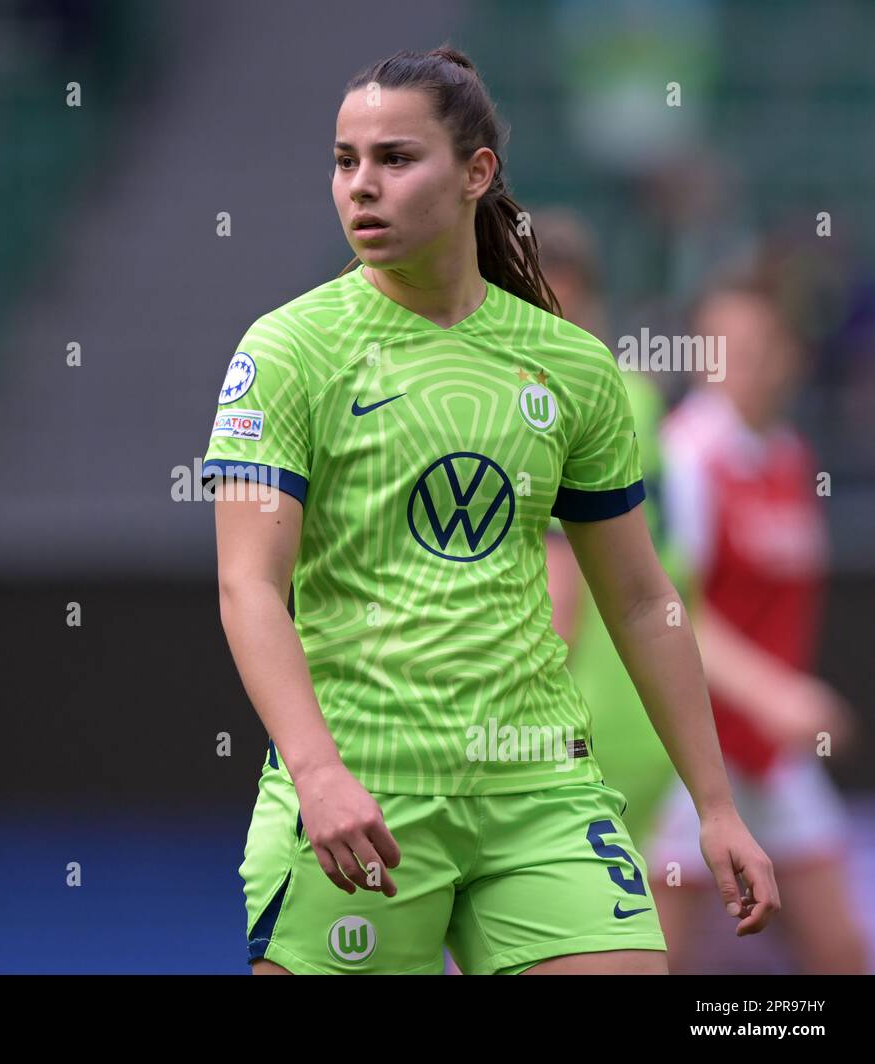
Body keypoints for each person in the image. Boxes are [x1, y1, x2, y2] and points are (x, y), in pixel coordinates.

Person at [202, 45, 778, 976]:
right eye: (346, 162)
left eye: (395, 159)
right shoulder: (285, 352)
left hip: (539, 786)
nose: (362, 187)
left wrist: (714, 806)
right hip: (364, 792)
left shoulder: (573, 367)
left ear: (477, 174)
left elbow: (640, 600)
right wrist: (317, 773)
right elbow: (248, 586)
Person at [646, 279, 865, 974]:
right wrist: (777, 693)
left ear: (790, 357)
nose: (736, 364)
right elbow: (672, 610)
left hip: (769, 758)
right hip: (687, 749)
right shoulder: (685, 457)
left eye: (756, 347)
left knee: (842, 950)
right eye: (721, 348)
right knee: (657, 956)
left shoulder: (790, 457)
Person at [538, 209, 684, 852]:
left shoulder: (536, 409)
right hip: (644, 724)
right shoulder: (642, 400)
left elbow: (558, 591)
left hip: (560, 731)